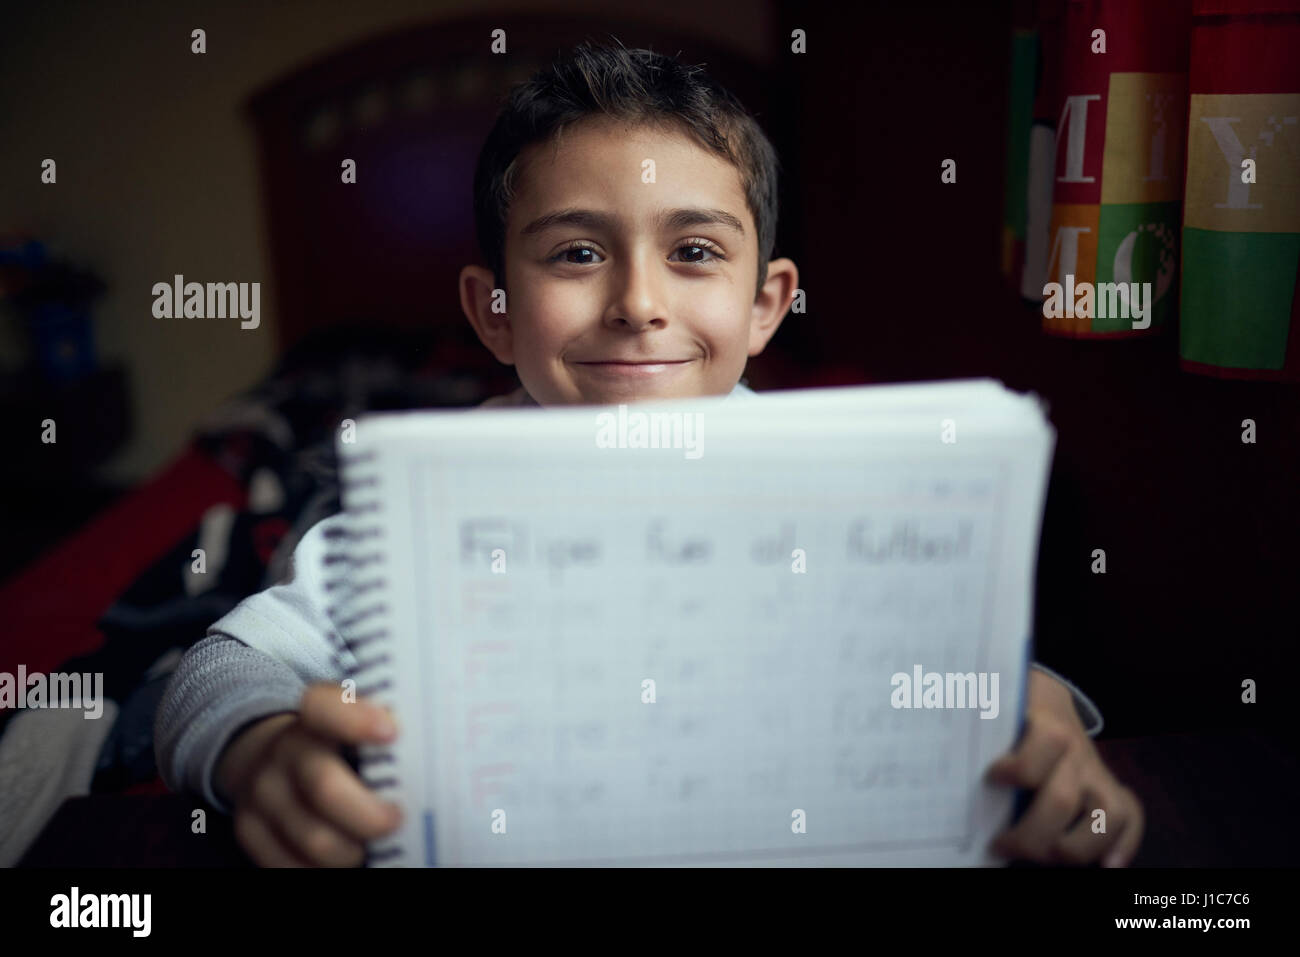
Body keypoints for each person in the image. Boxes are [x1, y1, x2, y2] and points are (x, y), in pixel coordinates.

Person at [155, 40, 1143, 868]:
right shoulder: (424, 502)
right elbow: (219, 667)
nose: (637, 304)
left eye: (696, 252)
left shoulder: (840, 481)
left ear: (766, 304)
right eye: (577, 254)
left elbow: (949, 653)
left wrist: (1039, 706)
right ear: (492, 312)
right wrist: (263, 751)